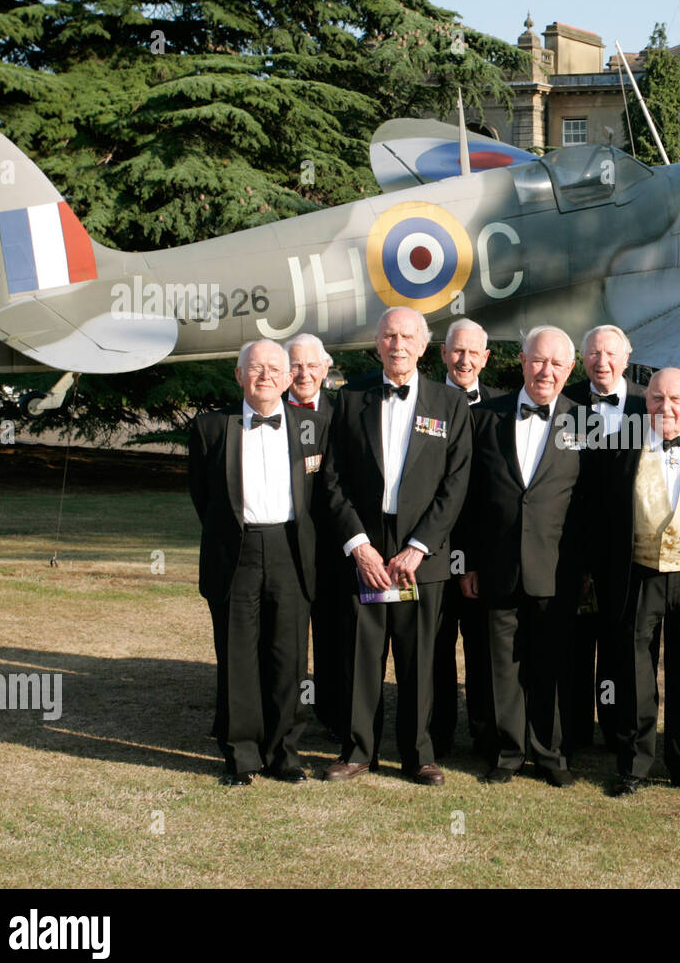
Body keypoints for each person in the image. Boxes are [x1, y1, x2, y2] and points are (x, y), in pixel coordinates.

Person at [321, 307, 472, 786]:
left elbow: (456, 483)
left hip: (419, 558)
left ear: (425, 347)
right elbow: (332, 479)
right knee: (361, 655)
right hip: (368, 550)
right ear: (378, 343)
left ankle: (418, 756)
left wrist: (420, 546)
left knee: (419, 660)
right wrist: (360, 547)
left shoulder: (450, 406)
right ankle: (358, 750)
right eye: (389, 336)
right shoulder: (350, 400)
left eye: (408, 337)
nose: (398, 344)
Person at [188, 339, 331, 785]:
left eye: (274, 368)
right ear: (238, 375)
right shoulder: (211, 428)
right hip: (237, 551)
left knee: (287, 656)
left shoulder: (314, 425)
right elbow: (203, 498)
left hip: (291, 550)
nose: (264, 375)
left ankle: (284, 752)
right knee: (238, 657)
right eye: (255, 368)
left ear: (289, 377)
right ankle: (242, 755)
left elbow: (324, 498)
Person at [459, 326, 587, 787]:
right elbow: (469, 496)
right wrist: (468, 561)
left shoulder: (583, 421)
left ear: (570, 369)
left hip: (557, 569)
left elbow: (590, 503)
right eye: (538, 361)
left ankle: (551, 754)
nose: (546, 371)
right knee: (502, 666)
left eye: (556, 364)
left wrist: (587, 570)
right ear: (521, 361)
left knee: (552, 664)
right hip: (496, 566)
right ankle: (507, 753)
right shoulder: (486, 416)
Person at [601, 368, 680, 796]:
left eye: (676, 399)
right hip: (639, 576)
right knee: (636, 674)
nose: (666, 408)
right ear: (646, 401)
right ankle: (634, 765)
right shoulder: (620, 444)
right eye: (657, 399)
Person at [562, 324, 647, 752]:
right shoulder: (566, 402)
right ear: (583, 359)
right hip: (572, 545)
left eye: (610, 354)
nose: (602, 361)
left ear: (626, 358)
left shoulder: (646, 407)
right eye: (593, 353)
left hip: (627, 549)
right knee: (575, 645)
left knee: (618, 644)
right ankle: (575, 729)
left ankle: (616, 728)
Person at [431, 318, 502, 758]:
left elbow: (497, 492)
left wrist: (472, 559)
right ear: (443, 353)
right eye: (458, 351)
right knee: (435, 648)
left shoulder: (500, 408)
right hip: (431, 552)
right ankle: (435, 734)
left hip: (482, 555)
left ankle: (484, 733)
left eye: (474, 352)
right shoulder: (423, 402)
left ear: (486, 358)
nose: (465, 360)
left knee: (482, 650)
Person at [284, 333, 344, 737]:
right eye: (295, 365)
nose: (304, 374)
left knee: (335, 638)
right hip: (285, 547)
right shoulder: (264, 413)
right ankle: (285, 719)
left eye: (312, 365)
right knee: (286, 642)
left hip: (335, 547)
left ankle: (336, 718)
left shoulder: (346, 412)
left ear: (326, 368)